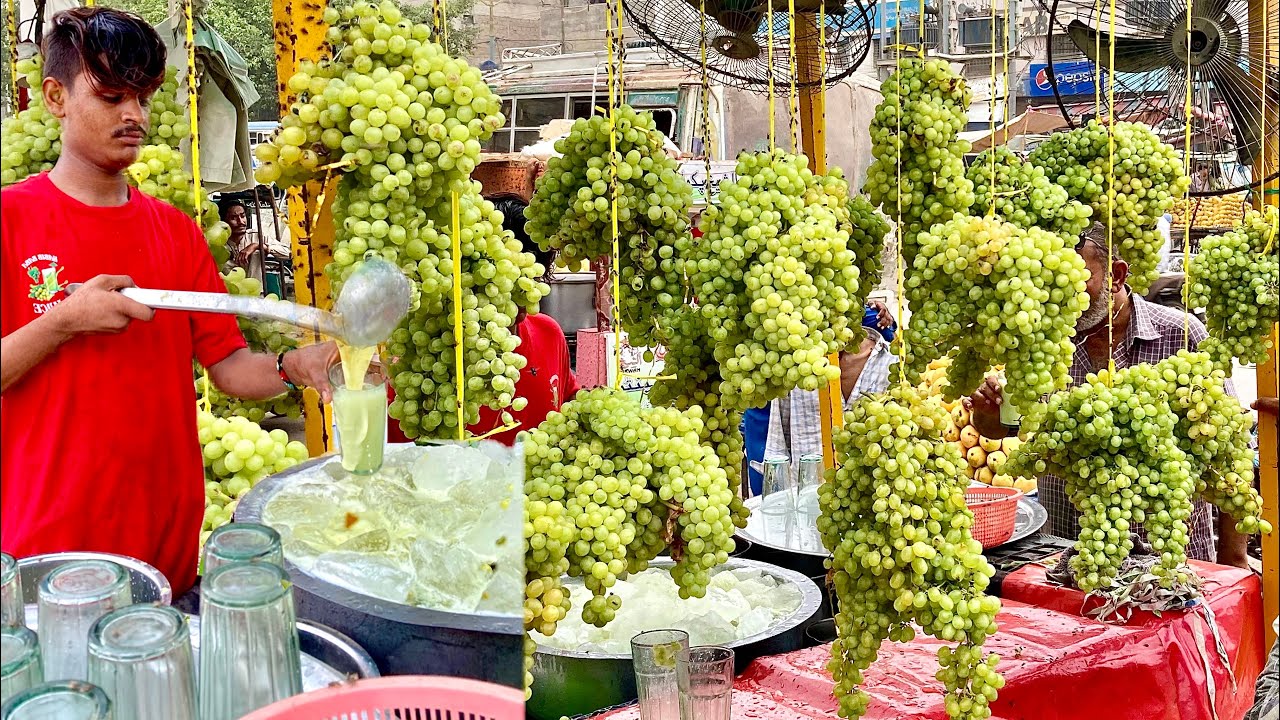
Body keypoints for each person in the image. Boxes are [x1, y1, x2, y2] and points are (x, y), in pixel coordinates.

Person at [0, 8, 336, 596]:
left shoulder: (175, 232)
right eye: (111, 96)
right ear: (55, 97)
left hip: (167, 545)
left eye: (143, 97)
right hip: (48, 551)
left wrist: (292, 368)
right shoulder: (9, 221)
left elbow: (229, 367)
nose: (133, 114)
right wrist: (61, 324)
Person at [966, 221, 1249, 568]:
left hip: (1171, 562)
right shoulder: (1042, 344)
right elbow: (1011, 428)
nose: (1061, 301)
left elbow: (1231, 455)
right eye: (1052, 286)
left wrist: (1233, 560)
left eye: (1077, 284)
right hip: (1072, 555)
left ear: (1117, 275)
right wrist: (989, 418)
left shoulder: (1181, 335)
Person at [386, 195, 578, 446]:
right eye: (510, 286)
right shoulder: (432, 360)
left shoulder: (548, 333)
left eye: (533, 283)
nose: (524, 300)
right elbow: (406, 450)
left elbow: (570, 405)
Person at [760, 301, 897, 483]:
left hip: (873, 499)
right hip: (807, 498)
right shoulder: (796, 365)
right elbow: (777, 445)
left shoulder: (891, 365)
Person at [221, 198, 266, 284]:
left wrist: (256, 246)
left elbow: (288, 253)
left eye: (242, 216)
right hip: (228, 294)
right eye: (233, 218)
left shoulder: (256, 236)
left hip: (256, 294)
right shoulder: (218, 244)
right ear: (224, 222)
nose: (241, 222)